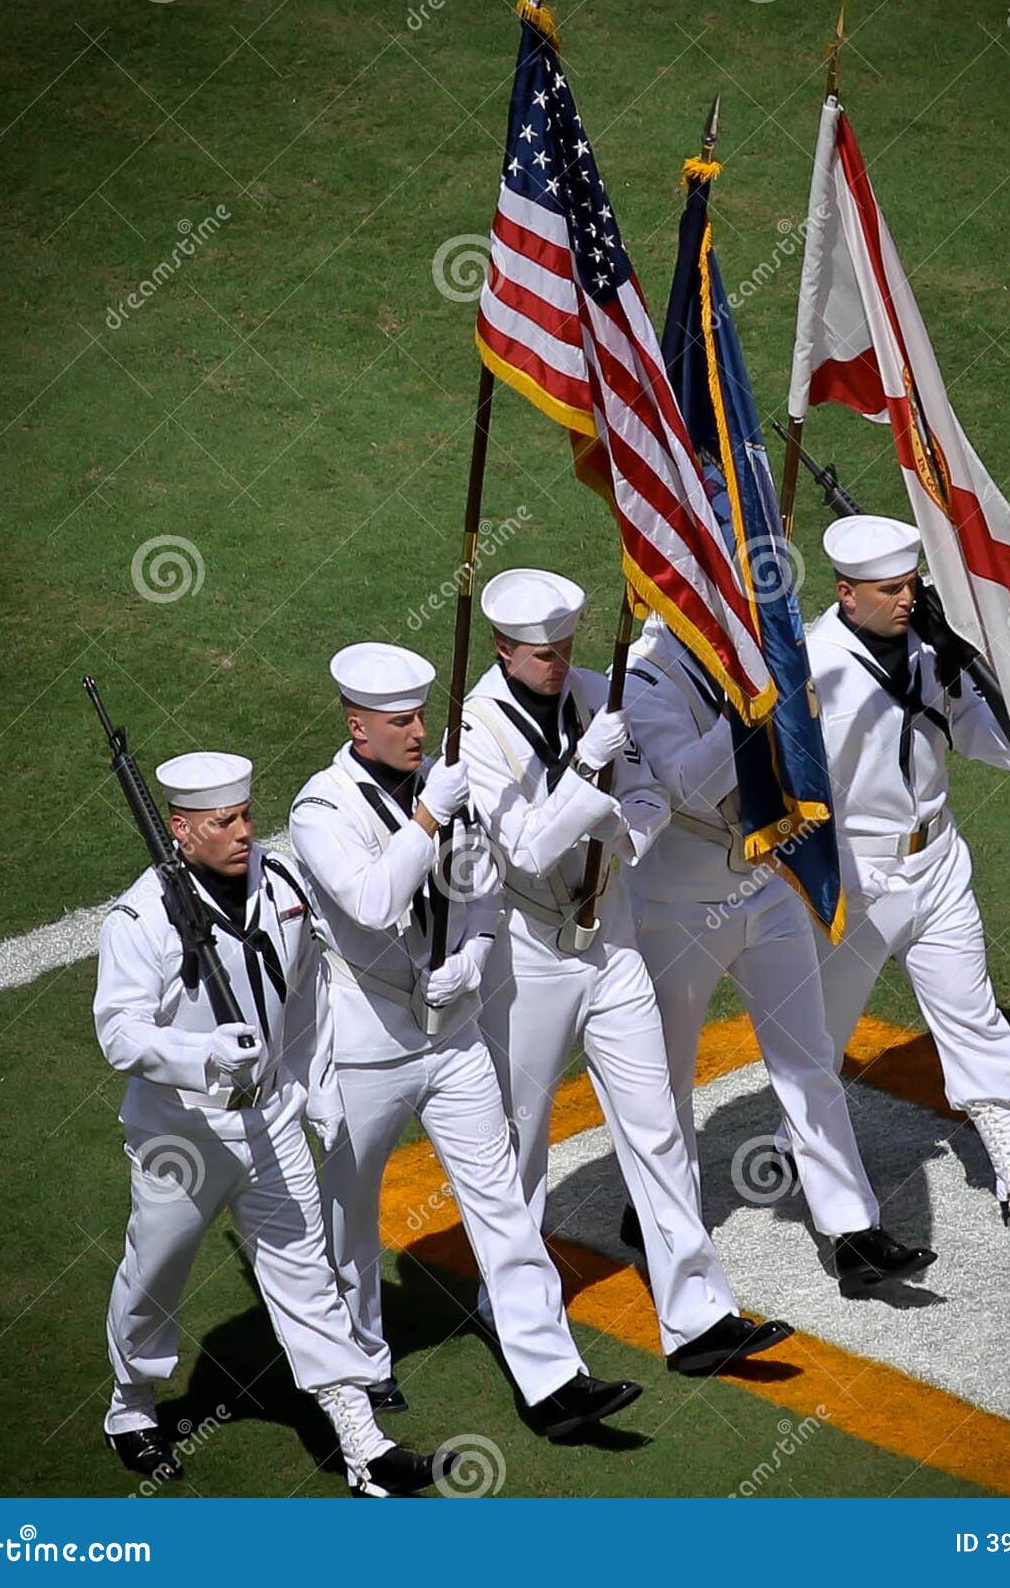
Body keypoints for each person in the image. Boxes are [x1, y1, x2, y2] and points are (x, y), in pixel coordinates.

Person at [289, 642, 642, 1440]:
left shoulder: (444, 784)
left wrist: (477, 956)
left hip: (452, 1039)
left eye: (420, 715)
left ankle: (554, 1383)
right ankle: (361, 1359)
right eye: (399, 721)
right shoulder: (321, 809)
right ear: (357, 726)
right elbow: (376, 901)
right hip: (368, 1041)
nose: (419, 732)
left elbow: (482, 893)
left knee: (503, 1206)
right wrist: (424, 818)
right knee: (350, 1210)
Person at [461, 568, 793, 1375]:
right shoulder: (473, 729)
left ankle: (699, 1316)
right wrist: (584, 774)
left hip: (608, 940)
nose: (561, 662)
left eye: (567, 647)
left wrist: (627, 826)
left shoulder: (590, 691)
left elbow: (646, 795)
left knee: (655, 1123)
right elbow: (530, 848)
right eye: (544, 653)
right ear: (505, 650)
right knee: (520, 1143)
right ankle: (505, 1305)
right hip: (529, 951)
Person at [94, 750, 448, 1495]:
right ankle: (131, 1408)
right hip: (180, 1135)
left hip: (272, 1121)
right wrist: (200, 1053)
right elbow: (119, 1033)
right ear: (180, 831)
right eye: (222, 822)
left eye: (246, 816)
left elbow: (310, 990)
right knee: (155, 1276)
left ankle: (364, 1447)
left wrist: (314, 1083)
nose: (243, 831)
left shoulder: (281, 883)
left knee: (307, 1281)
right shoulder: (139, 916)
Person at [805, 515, 1010, 1227]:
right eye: (888, 589)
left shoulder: (927, 645)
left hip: (937, 862)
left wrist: (973, 665)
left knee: (971, 1015)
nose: (906, 599)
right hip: (855, 878)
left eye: (911, 584)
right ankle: (803, 1149)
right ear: (846, 593)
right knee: (816, 1036)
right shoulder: (812, 668)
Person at [625, 613, 935, 1289]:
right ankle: (656, 1217)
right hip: (679, 908)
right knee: (664, 1080)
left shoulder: (748, 648)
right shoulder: (645, 676)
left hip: (765, 883)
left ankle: (853, 1231)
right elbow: (691, 787)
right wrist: (748, 703)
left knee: (807, 1057)